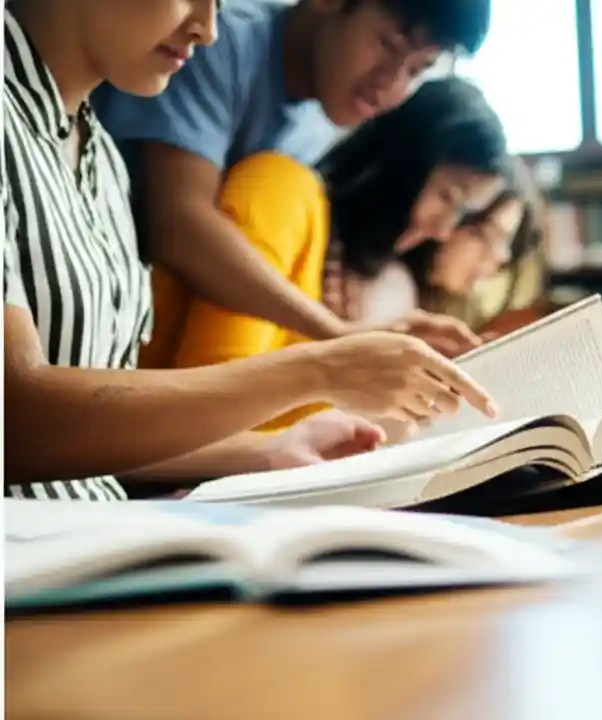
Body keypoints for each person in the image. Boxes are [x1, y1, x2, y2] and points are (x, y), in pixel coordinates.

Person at [2, 0, 495, 501]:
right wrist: (327, 361)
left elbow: (90, 434)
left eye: (417, 69)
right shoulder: (230, 80)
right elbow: (16, 420)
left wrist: (266, 449)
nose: (207, 30)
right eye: (389, 45)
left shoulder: (100, 158)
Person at [93, 0, 492, 352]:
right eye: (387, 44)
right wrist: (336, 333)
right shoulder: (216, 41)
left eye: (418, 70)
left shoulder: (332, 112)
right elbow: (179, 226)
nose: (390, 82)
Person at [141, 78, 527, 429]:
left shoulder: (378, 281)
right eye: (446, 197)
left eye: (463, 215)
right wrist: (340, 365)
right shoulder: (281, 192)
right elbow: (208, 410)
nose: (444, 231)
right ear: (398, 163)